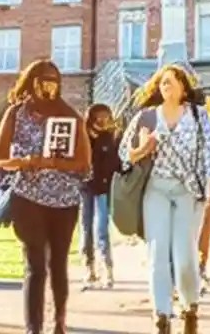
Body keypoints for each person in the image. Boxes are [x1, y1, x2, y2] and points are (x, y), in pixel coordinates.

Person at [0, 59, 92, 334]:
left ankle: (58, 323)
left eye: (54, 80)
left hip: (64, 201)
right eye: (43, 80)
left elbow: (84, 164)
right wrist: (27, 161)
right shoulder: (16, 114)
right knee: (35, 264)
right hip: (28, 198)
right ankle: (33, 328)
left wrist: (55, 163)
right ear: (32, 82)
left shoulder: (71, 116)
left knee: (58, 262)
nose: (49, 85)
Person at [119, 63, 210, 334]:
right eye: (163, 82)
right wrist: (142, 149)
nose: (167, 86)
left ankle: (190, 307)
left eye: (172, 82)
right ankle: (161, 314)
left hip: (189, 191)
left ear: (183, 88)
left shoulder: (199, 116)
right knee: (157, 254)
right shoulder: (146, 117)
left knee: (185, 254)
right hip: (156, 189)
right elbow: (124, 153)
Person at [80, 103, 120, 289]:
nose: (103, 121)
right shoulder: (83, 136)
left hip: (103, 187)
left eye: (106, 116)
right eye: (99, 117)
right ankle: (89, 266)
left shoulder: (110, 138)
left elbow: (115, 163)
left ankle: (107, 267)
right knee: (86, 227)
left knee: (101, 228)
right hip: (85, 187)